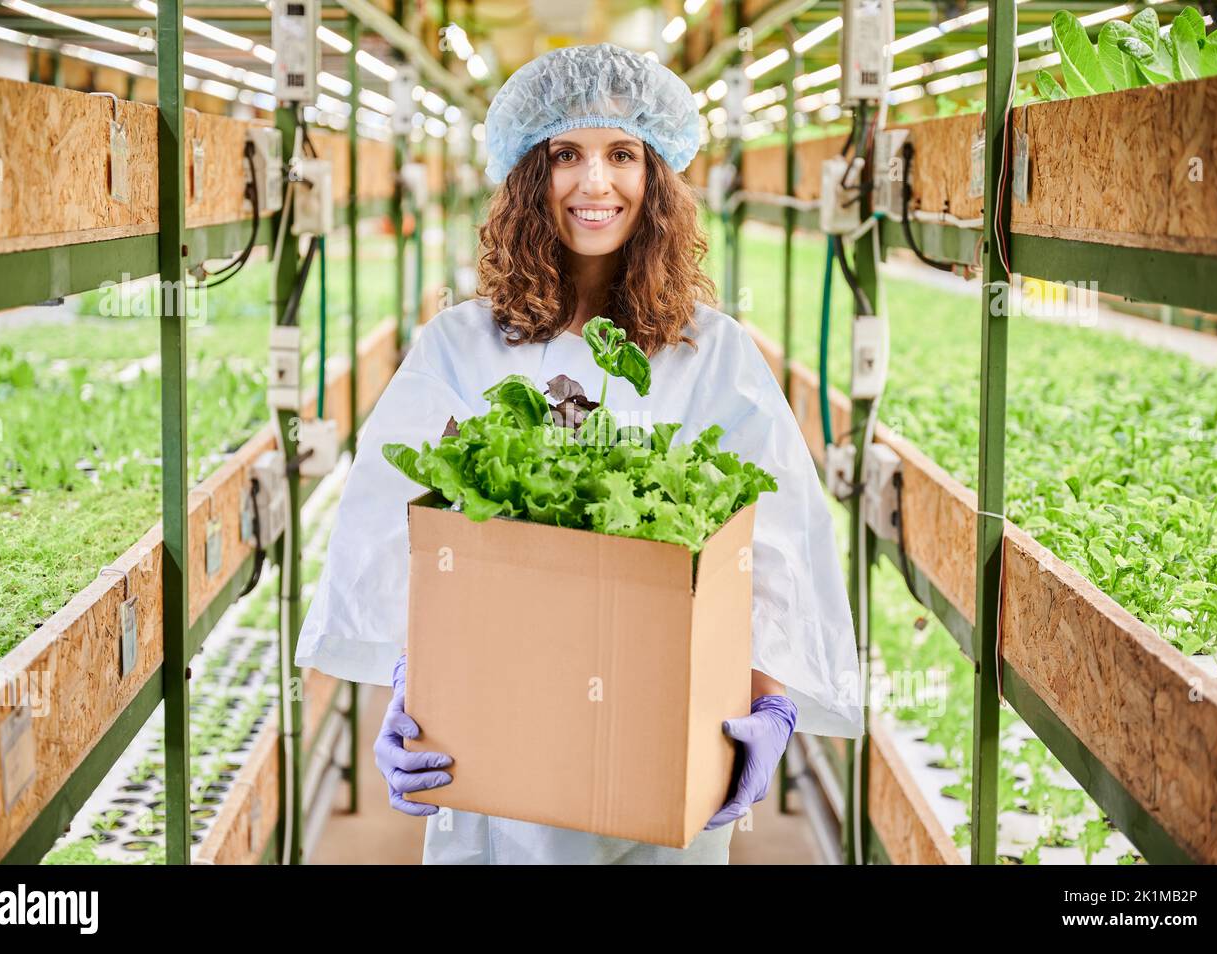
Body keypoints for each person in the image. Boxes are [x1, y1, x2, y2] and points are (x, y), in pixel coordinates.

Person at [295, 42, 863, 865]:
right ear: (531, 173)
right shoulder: (461, 345)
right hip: (495, 752)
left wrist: (769, 709)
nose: (596, 184)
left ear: (656, 174)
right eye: (567, 154)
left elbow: (768, 547)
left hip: (666, 750)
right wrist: (409, 687)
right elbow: (397, 531)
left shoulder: (713, 353)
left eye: (622, 154)